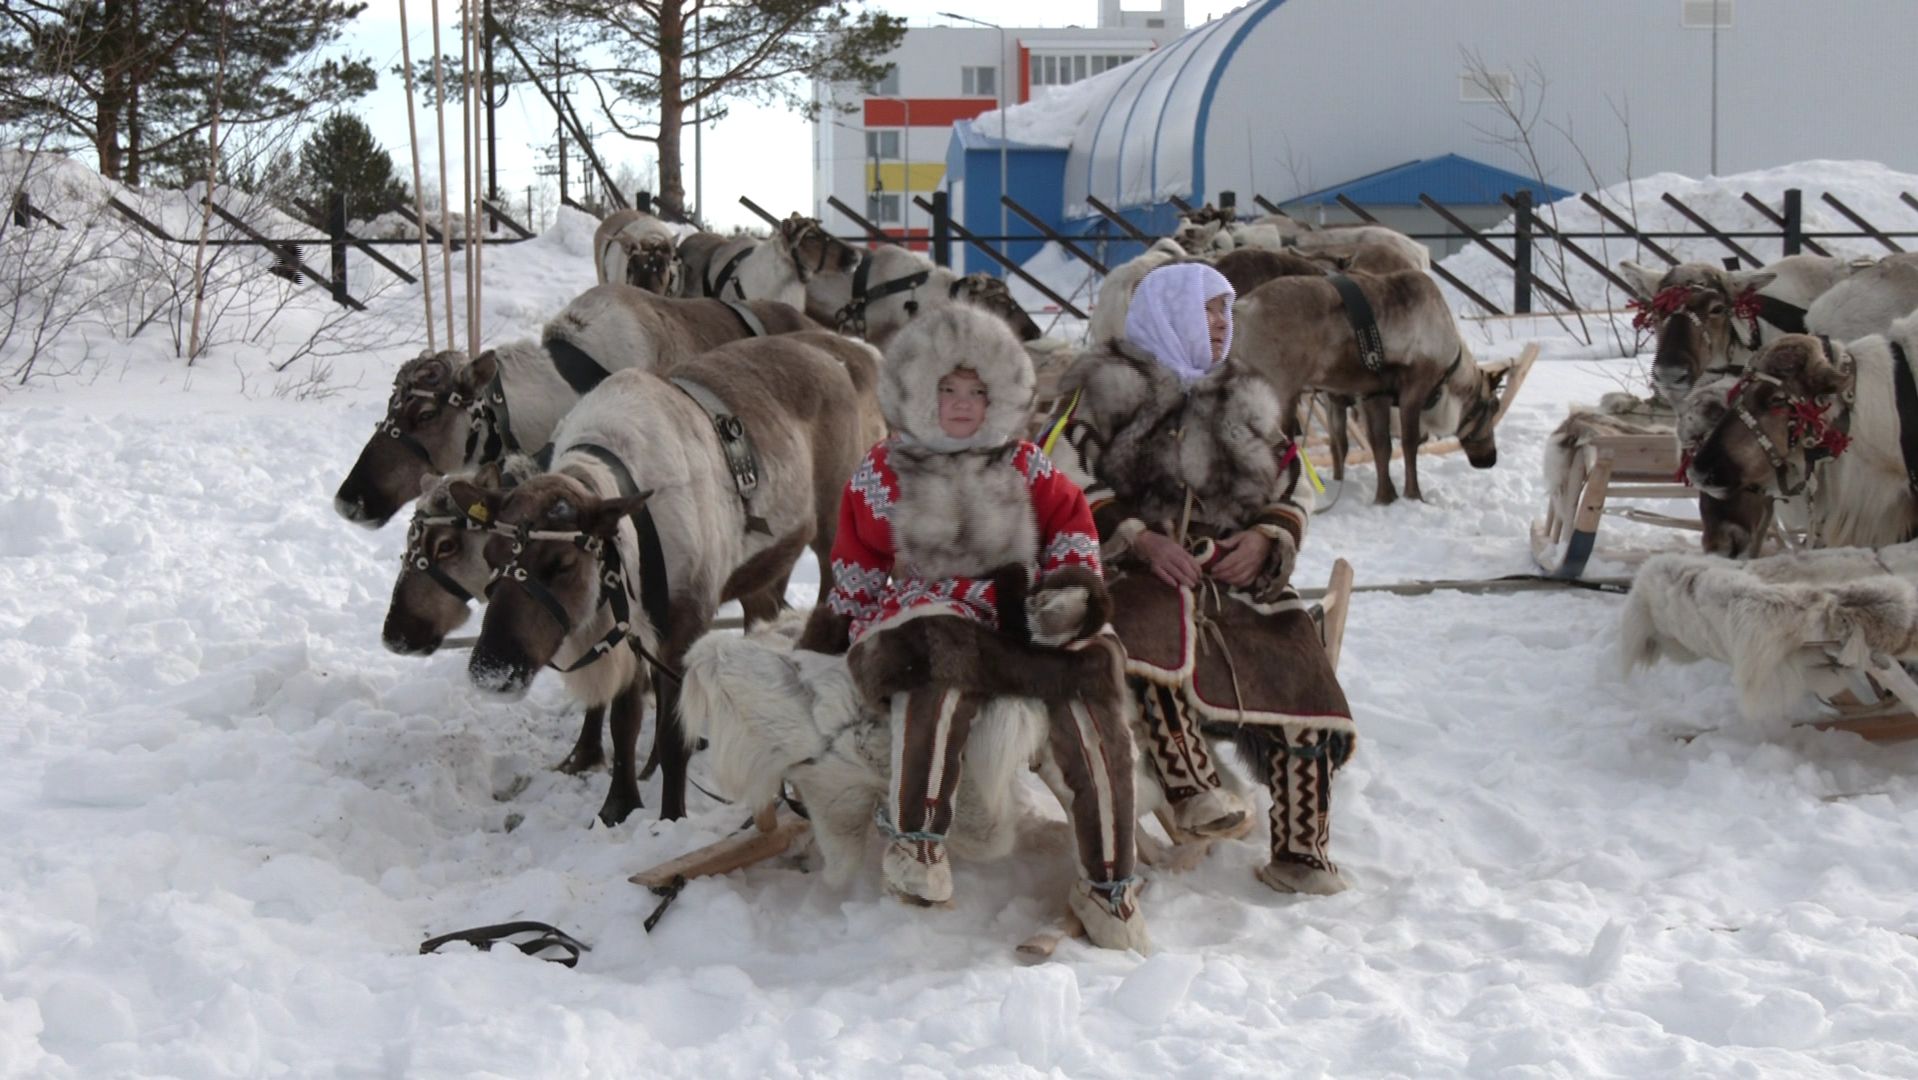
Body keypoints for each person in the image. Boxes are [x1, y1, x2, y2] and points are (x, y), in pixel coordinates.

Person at [796, 304, 1150, 950]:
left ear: (1000, 395)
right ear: (918, 391)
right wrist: (845, 628)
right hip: (929, 620)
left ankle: (1109, 884)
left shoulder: (1025, 464)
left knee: (1091, 680)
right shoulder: (883, 471)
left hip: (1019, 619)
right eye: (948, 390)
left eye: (977, 392)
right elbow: (856, 565)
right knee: (936, 654)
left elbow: (1072, 529)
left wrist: (1070, 595)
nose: (962, 405)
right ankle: (917, 845)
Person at [1048, 262, 1358, 895]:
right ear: (1170, 313)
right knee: (1146, 641)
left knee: (1298, 663)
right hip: (1141, 569)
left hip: (1234, 579)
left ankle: (1301, 849)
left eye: (1224, 312)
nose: (1222, 324)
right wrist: (1138, 537)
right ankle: (1193, 790)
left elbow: (1295, 483)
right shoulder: (1105, 388)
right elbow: (1062, 479)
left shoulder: (1245, 395)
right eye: (1209, 310)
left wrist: (1266, 536)